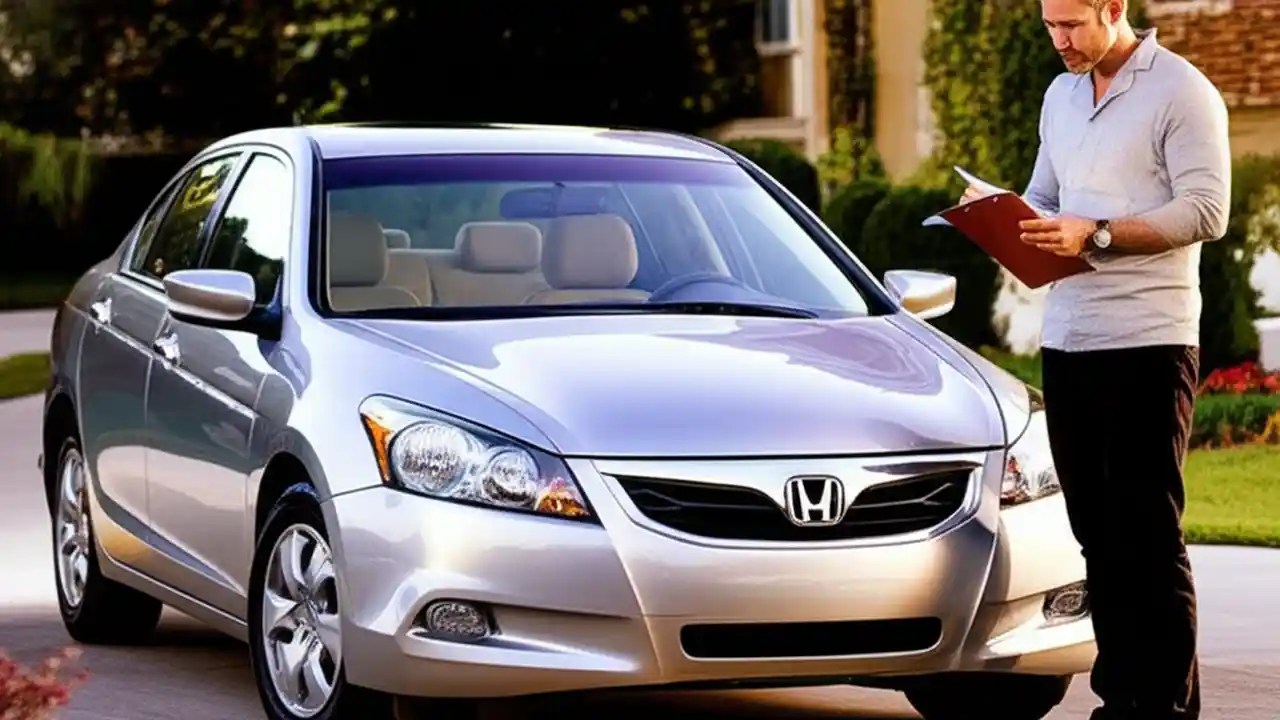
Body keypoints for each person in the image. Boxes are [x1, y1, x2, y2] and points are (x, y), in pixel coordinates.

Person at [962, 0, 1231, 718]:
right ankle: (1129, 700)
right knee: (1098, 535)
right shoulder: (1061, 95)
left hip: (1151, 339)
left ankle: (1162, 707)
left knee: (1146, 530)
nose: (1060, 41)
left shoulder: (1181, 88)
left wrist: (1100, 236)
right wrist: (1003, 215)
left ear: (1115, 8)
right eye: (1051, 25)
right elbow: (1047, 198)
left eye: (1074, 24)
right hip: (1071, 338)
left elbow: (1207, 210)